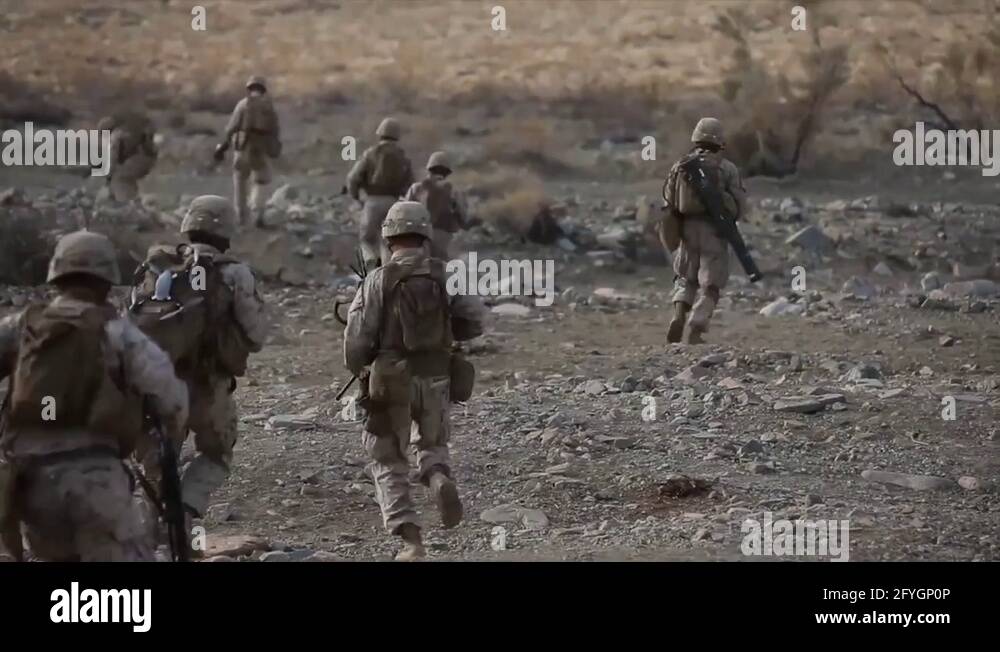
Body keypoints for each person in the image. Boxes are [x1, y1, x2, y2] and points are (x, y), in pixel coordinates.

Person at [0, 230, 188, 561]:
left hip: (30, 482)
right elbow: (171, 398)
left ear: (56, 276)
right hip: (95, 478)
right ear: (106, 281)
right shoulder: (118, 333)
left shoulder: (23, 326)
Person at [344, 201, 484, 560]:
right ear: (424, 235)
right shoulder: (447, 273)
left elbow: (357, 337)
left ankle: (411, 541)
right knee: (433, 443)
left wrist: (360, 368)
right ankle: (437, 476)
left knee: (388, 458)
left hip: (391, 379)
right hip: (437, 375)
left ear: (389, 236)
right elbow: (474, 321)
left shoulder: (377, 279)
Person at [128, 195, 266, 526]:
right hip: (209, 384)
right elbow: (257, 335)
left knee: (159, 463)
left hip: (157, 385)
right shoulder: (235, 274)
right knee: (217, 453)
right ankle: (186, 511)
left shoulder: (158, 267)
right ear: (227, 230)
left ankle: (153, 530)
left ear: (188, 225)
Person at [662, 117, 747, 344]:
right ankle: (696, 329)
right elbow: (739, 203)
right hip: (715, 231)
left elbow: (668, 201)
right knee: (711, 283)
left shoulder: (680, 166)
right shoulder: (727, 168)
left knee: (685, 277)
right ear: (720, 141)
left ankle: (678, 315)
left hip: (687, 230)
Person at [345, 117, 414, 269]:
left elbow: (353, 178)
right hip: (394, 203)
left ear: (380, 133)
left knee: (367, 239)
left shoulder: (370, 154)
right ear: (397, 135)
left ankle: (371, 261)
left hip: (372, 202)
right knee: (388, 239)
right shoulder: (403, 157)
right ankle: (386, 269)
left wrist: (357, 197)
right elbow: (411, 184)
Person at [215, 76, 282, 228]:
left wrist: (222, 148)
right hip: (260, 149)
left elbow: (231, 129)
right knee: (262, 180)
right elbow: (275, 131)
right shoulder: (268, 107)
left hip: (242, 148)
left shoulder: (242, 105)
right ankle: (257, 212)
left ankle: (241, 217)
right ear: (263, 90)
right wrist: (274, 149)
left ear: (249, 88)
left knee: (240, 182)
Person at [404, 151, 468, 260]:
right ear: (447, 172)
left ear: (429, 168)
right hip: (443, 233)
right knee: (441, 265)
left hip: (419, 233)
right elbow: (462, 213)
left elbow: (404, 210)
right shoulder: (453, 190)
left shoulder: (416, 188)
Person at [99, 111, 158, 202]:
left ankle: (126, 203)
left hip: (140, 157)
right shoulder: (130, 129)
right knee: (125, 178)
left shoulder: (117, 136)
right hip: (147, 157)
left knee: (120, 178)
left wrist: (107, 178)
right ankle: (132, 200)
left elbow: (113, 159)